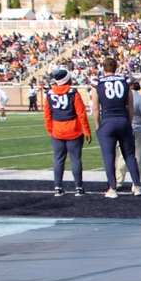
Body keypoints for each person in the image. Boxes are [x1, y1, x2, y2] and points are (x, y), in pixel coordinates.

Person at [90, 57, 141, 198]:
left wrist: (97, 125)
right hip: (123, 120)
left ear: (103, 67)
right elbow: (130, 106)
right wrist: (129, 122)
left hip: (107, 121)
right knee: (130, 155)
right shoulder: (125, 81)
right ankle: (137, 186)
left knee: (109, 156)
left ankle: (112, 188)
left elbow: (96, 108)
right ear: (116, 67)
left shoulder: (97, 83)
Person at [44, 68, 91, 196]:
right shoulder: (74, 93)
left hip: (57, 130)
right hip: (73, 130)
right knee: (75, 159)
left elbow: (47, 114)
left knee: (58, 159)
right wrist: (87, 131)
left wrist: (50, 130)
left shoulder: (49, 93)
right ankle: (78, 188)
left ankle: (58, 187)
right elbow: (81, 114)